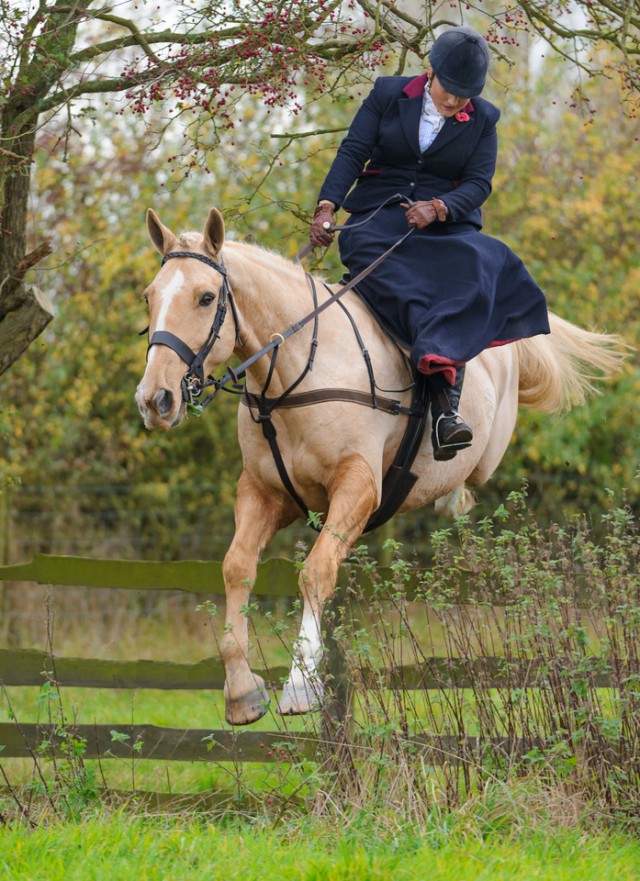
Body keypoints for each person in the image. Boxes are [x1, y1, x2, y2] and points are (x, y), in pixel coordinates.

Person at [309, 26, 550, 461]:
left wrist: (439, 207)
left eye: (464, 96)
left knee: (486, 261)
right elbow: (353, 151)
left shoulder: (484, 120)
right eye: (449, 90)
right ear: (430, 71)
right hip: (379, 215)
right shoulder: (387, 94)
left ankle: (445, 406)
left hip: (443, 227)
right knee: (374, 256)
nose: (455, 102)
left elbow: (479, 183)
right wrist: (327, 206)